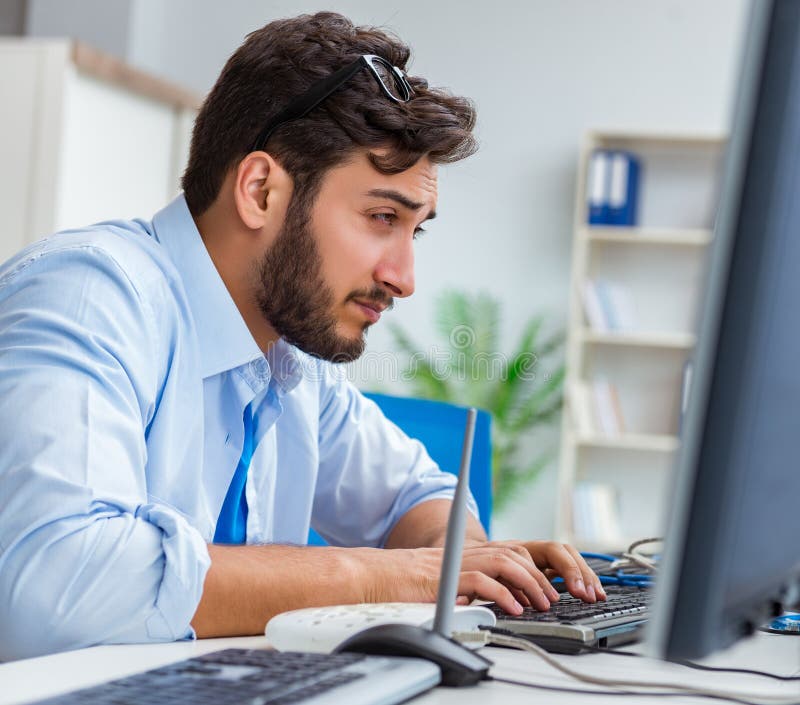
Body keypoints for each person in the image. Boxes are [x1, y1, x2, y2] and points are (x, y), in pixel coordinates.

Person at [0, 12, 605, 661]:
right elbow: (57, 585)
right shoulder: (90, 296)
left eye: (416, 229)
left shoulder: (288, 358)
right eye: (382, 216)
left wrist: (469, 565)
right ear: (261, 191)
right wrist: (388, 576)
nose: (404, 278)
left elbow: (416, 496)